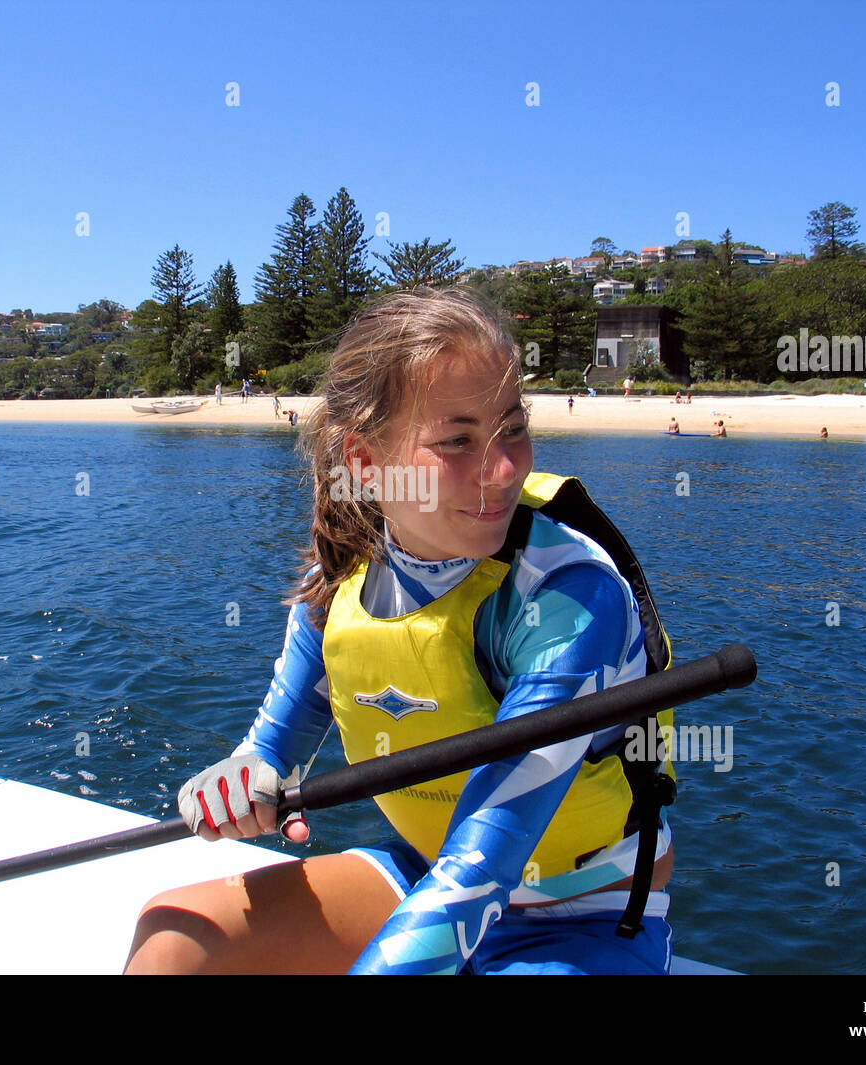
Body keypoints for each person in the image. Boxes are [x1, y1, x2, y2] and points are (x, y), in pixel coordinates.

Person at [124, 287, 676, 975]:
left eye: (513, 426)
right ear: (363, 461)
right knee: (173, 937)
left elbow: (483, 864)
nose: (505, 468)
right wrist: (242, 776)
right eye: (458, 441)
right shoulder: (337, 585)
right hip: (421, 873)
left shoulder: (570, 597)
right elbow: (272, 749)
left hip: (582, 916)